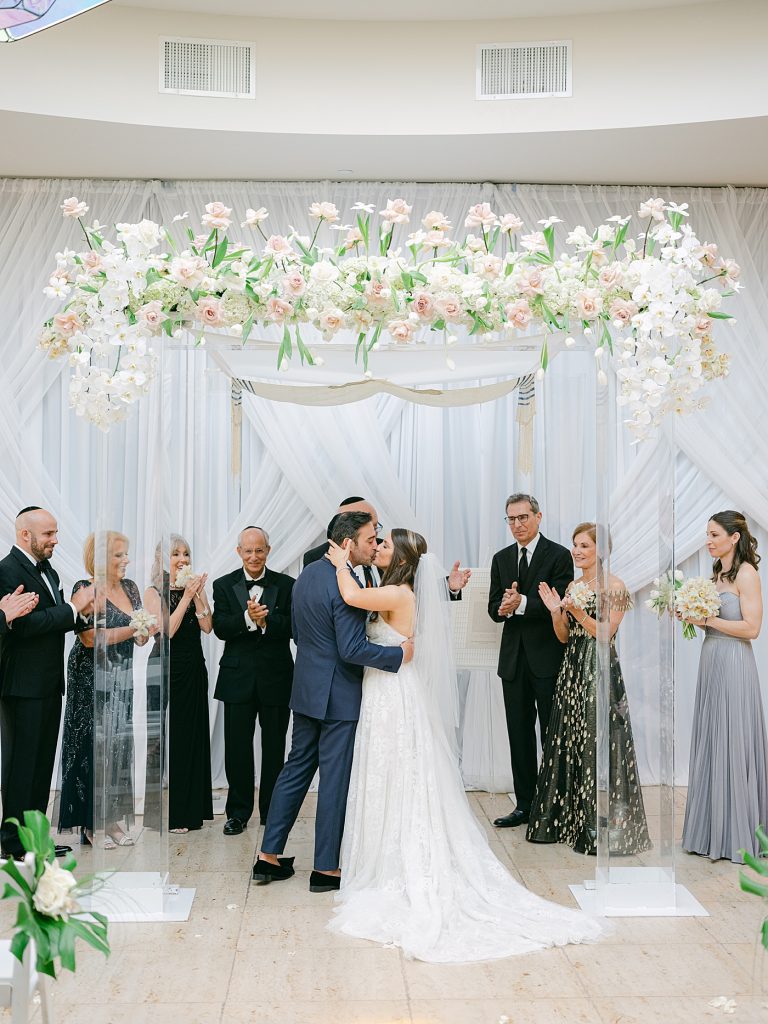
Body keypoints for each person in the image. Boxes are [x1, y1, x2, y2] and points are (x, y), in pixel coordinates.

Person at [323, 527, 604, 962]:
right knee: (389, 772)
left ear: (398, 556)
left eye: (382, 544)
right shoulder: (396, 587)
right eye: (374, 542)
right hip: (385, 692)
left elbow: (353, 598)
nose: (375, 546)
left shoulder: (398, 594)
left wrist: (341, 563)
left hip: (395, 696)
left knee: (399, 769)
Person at [254, 511, 411, 893]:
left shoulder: (306, 575)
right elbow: (352, 648)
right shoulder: (345, 586)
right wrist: (398, 655)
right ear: (347, 544)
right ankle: (326, 869)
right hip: (339, 695)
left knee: (294, 771)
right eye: (370, 539)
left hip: (306, 690)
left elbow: (297, 632)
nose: (374, 546)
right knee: (334, 781)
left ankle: (268, 856)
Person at [527, 523, 651, 856]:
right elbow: (564, 636)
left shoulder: (617, 586)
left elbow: (606, 633)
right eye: (575, 545)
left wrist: (578, 611)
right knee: (572, 738)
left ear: (600, 549)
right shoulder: (574, 583)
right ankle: (571, 820)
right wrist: (557, 612)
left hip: (599, 669)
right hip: (572, 668)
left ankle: (600, 827)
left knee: (599, 740)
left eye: (584, 545)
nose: (577, 551)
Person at [0, 507, 93, 859]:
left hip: (48, 683)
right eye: (49, 534)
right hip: (22, 685)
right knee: (21, 766)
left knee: (40, 766)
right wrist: (72, 608)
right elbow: (23, 625)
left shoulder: (48, 569)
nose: (55, 540)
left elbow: (50, 620)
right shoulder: (6, 571)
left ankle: (35, 839)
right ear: (25, 535)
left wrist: (81, 611)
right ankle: (12, 843)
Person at [681, 511, 767, 863]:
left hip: (734, 663)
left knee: (734, 739)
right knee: (714, 739)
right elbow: (713, 625)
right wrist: (693, 618)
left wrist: (708, 618)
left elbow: (752, 629)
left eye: (714, 535)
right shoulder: (716, 575)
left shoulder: (748, 574)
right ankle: (710, 831)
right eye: (707, 534)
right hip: (711, 658)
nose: (709, 541)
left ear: (734, 538)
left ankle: (737, 834)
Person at [487, 494, 574, 828]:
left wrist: (522, 602)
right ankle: (524, 804)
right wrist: (503, 607)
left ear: (539, 517)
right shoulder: (501, 558)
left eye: (523, 517)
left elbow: (562, 604)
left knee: (552, 734)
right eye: (511, 519)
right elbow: (494, 608)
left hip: (548, 658)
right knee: (518, 735)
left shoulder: (559, 555)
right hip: (513, 661)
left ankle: (555, 805)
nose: (517, 525)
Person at [59, 531, 148, 848]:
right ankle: (89, 823)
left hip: (121, 677)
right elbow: (89, 639)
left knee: (117, 745)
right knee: (90, 746)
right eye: (119, 555)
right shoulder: (84, 590)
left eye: (126, 554)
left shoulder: (131, 588)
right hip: (90, 678)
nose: (127, 560)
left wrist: (143, 632)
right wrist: (133, 629)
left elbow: (140, 637)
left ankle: (111, 820)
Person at [212, 527, 295, 835]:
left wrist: (266, 621)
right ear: (239, 552)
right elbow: (220, 627)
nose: (254, 556)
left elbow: (292, 627)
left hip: (276, 678)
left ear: (268, 550)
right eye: (248, 551)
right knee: (237, 750)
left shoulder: (287, 585)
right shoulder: (223, 586)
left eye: (259, 550)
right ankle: (237, 812)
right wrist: (249, 620)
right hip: (237, 679)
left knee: (275, 749)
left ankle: (272, 812)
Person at [144, 535, 213, 834]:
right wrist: (185, 596)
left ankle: (190, 810)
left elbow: (208, 626)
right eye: (175, 554)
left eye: (186, 553)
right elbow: (167, 632)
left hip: (193, 667)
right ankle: (160, 815)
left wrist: (198, 595)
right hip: (165, 668)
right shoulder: (152, 592)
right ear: (162, 559)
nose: (182, 559)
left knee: (190, 737)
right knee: (158, 741)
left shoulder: (191, 588)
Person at [304, 495, 471, 597]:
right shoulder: (315, 558)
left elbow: (412, 582)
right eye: (370, 527)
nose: (376, 542)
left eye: (376, 527)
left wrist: (448, 586)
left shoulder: (385, 550)